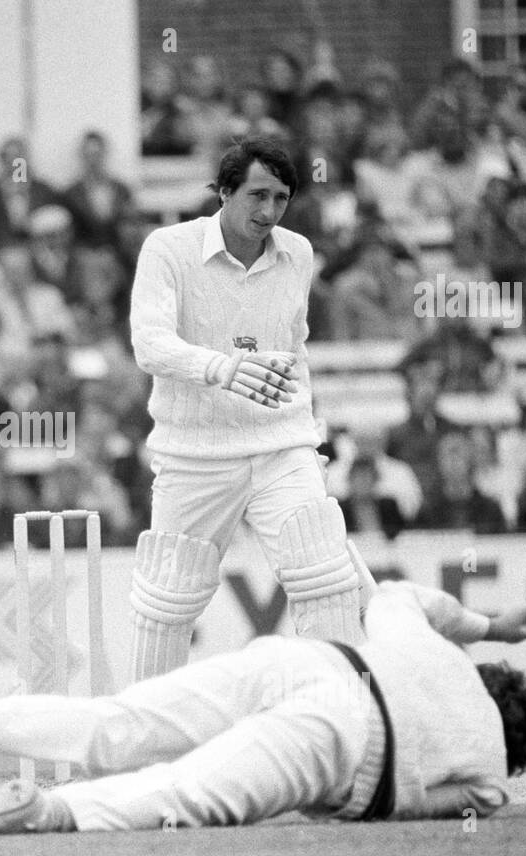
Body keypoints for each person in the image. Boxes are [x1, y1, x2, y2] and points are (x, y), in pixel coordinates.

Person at [0, 571, 526, 837]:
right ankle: (45, 811)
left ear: (490, 676)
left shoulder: (436, 652)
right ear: (515, 740)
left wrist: (493, 626)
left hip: (305, 661)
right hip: (347, 742)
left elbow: (400, 595)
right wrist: (334, 802)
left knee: (120, 722)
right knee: (179, 793)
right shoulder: (492, 778)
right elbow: (420, 805)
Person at [126, 137, 359, 682]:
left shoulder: (298, 252)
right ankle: (150, 740)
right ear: (225, 192)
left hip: (281, 445)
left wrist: (308, 433)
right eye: (257, 195)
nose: (269, 211)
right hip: (193, 451)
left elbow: (295, 347)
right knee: (168, 601)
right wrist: (222, 368)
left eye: (281, 198)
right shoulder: (168, 248)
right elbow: (149, 344)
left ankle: (348, 731)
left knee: (325, 577)